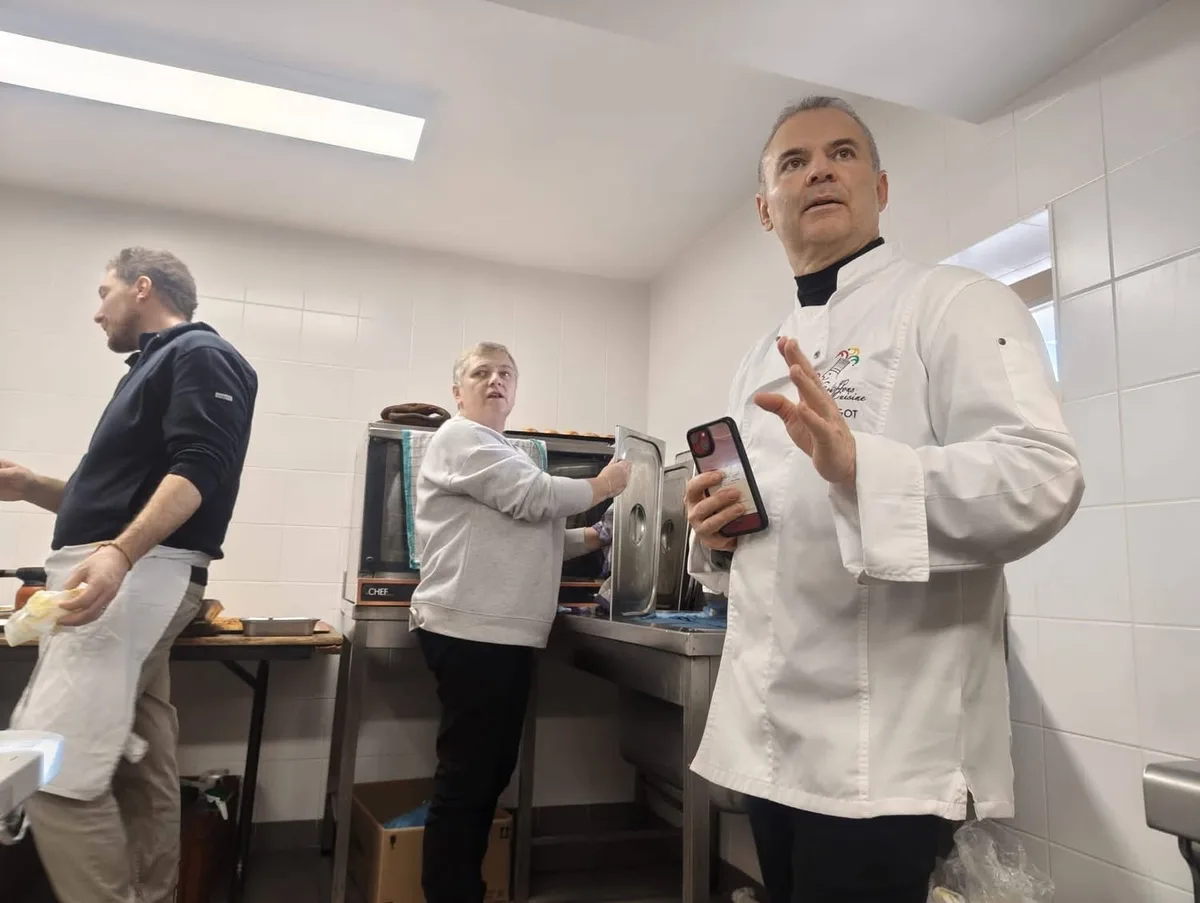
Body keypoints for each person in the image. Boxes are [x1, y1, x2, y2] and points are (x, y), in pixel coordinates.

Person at [684, 96, 1084, 903]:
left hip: (887, 751)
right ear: (765, 208)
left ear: (882, 187)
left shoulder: (955, 302)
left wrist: (861, 467)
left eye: (843, 154)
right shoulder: (759, 358)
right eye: (794, 162)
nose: (819, 171)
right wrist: (716, 540)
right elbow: (775, 536)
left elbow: (1042, 475)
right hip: (770, 738)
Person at [0, 247, 258, 903]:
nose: (97, 311)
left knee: (51, 768)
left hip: (137, 579)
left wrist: (119, 554)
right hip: (128, 575)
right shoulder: (151, 369)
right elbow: (119, 503)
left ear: (143, 288)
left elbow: (201, 466)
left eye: (103, 292)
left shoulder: (201, 352)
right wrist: (30, 485)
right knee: (146, 758)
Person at [409, 341, 631, 903]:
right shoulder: (460, 436)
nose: (495, 381)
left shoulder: (502, 451)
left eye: (505, 374)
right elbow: (534, 498)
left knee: (485, 775)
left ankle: (463, 889)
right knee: (468, 780)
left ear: (514, 391)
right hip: (471, 631)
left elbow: (533, 531)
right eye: (481, 373)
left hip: (495, 633)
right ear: (457, 392)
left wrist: (595, 535)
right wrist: (606, 485)